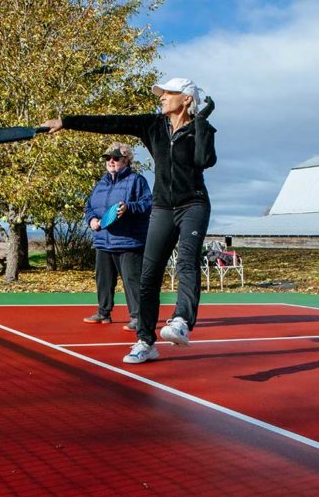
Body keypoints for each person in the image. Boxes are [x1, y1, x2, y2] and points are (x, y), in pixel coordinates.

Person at [43, 77, 216, 363]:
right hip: (162, 207)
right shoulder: (152, 126)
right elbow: (113, 122)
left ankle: (182, 321)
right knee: (148, 276)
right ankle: (146, 341)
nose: (161, 97)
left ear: (185, 99)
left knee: (186, 261)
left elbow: (204, 160)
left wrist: (200, 124)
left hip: (193, 204)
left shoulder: (201, 128)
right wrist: (66, 121)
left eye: (167, 93)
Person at [82, 142, 152, 330]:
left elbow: (147, 204)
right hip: (103, 241)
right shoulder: (100, 183)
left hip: (129, 242)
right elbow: (89, 207)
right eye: (107, 158)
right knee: (103, 279)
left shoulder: (137, 181)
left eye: (115, 158)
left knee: (132, 281)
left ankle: (138, 318)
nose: (110, 161)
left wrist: (129, 208)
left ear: (126, 160)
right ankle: (103, 313)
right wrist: (91, 220)